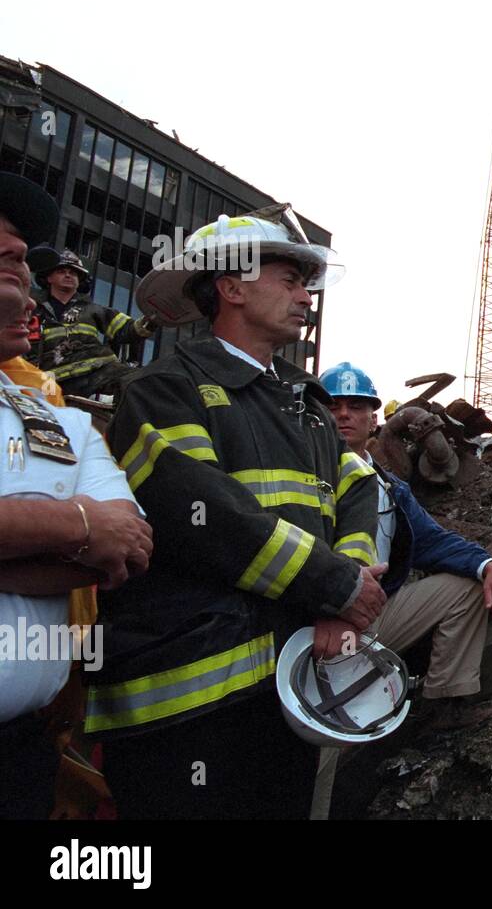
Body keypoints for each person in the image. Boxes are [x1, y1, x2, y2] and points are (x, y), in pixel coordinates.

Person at [87, 206, 382, 820]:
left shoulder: (304, 402)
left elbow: (360, 490)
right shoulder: (164, 389)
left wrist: (345, 595)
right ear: (232, 287)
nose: (306, 297)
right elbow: (202, 514)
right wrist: (336, 585)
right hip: (188, 701)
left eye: (308, 284)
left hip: (287, 687)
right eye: (289, 280)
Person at [0, 174, 153, 820]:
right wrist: (79, 527)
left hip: (19, 754)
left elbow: (126, 544)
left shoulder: (54, 416)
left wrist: (44, 536)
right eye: (5, 247)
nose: (24, 263)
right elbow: (95, 535)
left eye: (24, 254)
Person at [322, 361, 492, 725]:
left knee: (466, 586)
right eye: (333, 405)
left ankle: (443, 705)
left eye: (356, 406)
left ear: (373, 419)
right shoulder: (300, 476)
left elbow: (433, 541)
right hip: (313, 626)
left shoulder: (388, 487)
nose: (344, 415)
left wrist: (488, 565)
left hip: (371, 618)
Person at [26, 247, 153, 399]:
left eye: (73, 273)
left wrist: (153, 319)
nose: (68, 275)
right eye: (61, 271)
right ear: (48, 278)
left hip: (98, 371)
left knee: (142, 382)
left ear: (79, 281)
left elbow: (127, 330)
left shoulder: (93, 309)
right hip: (53, 381)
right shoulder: (31, 310)